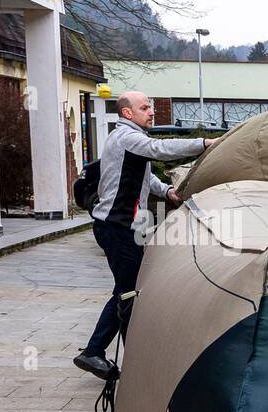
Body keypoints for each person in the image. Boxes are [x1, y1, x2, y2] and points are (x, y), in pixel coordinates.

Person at [73, 92, 213, 379]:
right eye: (144, 107)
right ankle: (95, 352)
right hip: (117, 227)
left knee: (130, 292)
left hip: (124, 228)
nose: (151, 112)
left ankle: (122, 357)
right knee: (128, 293)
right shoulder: (127, 137)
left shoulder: (130, 139)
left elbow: (145, 176)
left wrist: (167, 191)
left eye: (151, 107)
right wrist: (203, 144)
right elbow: (159, 150)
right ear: (127, 113)